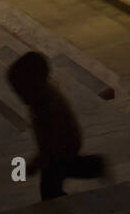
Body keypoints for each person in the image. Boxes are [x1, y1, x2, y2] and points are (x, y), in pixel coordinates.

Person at [6, 51, 107, 202]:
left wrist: (36, 163)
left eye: (20, 91)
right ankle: (93, 166)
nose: (19, 97)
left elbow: (52, 141)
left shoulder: (48, 107)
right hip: (60, 147)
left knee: (51, 184)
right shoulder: (41, 98)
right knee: (65, 170)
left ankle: (93, 166)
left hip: (61, 149)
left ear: (33, 86)